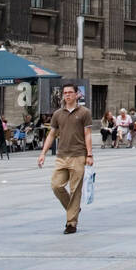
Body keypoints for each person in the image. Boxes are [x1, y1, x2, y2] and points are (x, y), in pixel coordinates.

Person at [38, 83, 93, 234]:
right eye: (65, 93)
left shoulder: (84, 112)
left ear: (77, 94)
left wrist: (89, 154)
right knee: (56, 185)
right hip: (62, 156)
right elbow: (51, 134)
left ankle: (71, 223)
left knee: (75, 190)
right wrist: (43, 153)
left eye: (70, 92)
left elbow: (88, 134)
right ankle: (74, 208)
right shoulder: (57, 114)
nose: (67, 95)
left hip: (78, 155)